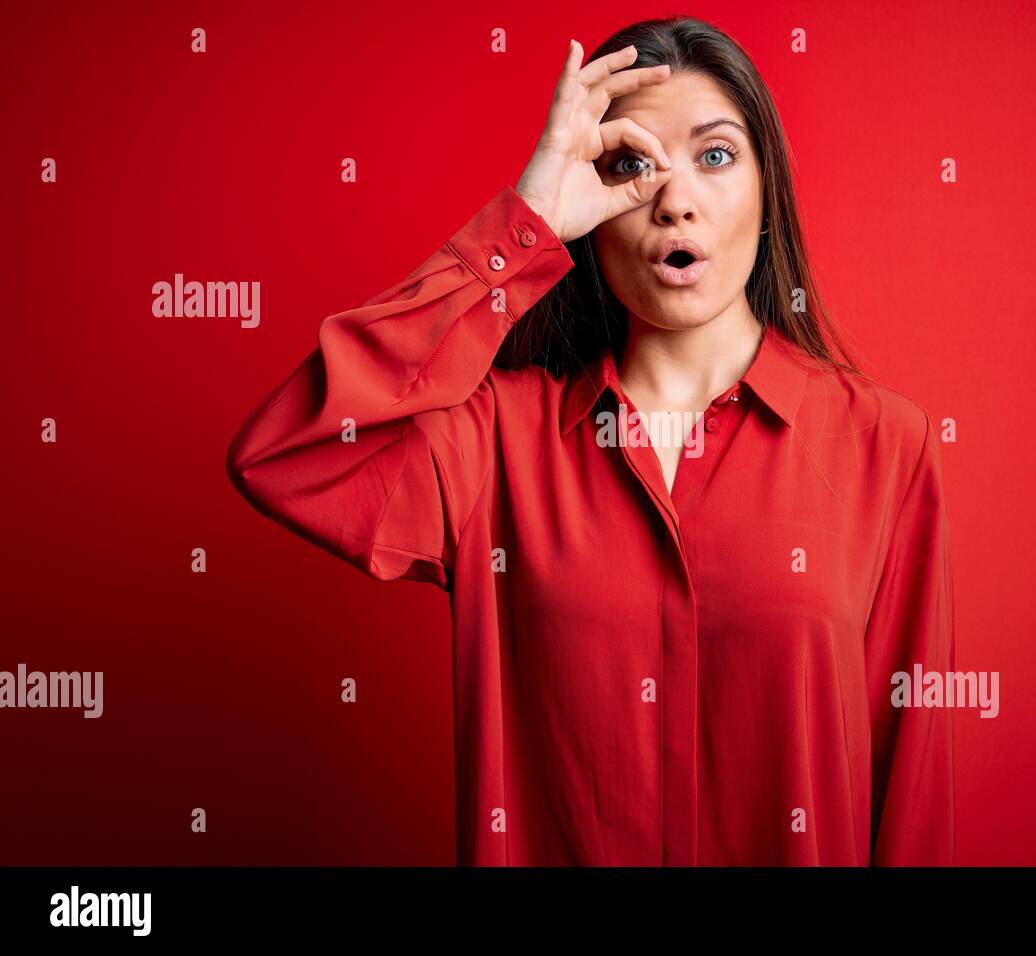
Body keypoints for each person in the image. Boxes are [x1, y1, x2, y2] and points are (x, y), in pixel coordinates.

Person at [226, 16, 955, 866]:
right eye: (632, 166)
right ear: (593, 208)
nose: (676, 200)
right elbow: (283, 455)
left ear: (767, 194)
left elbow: (909, 790)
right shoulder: (494, 441)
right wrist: (523, 226)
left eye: (716, 156)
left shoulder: (884, 448)